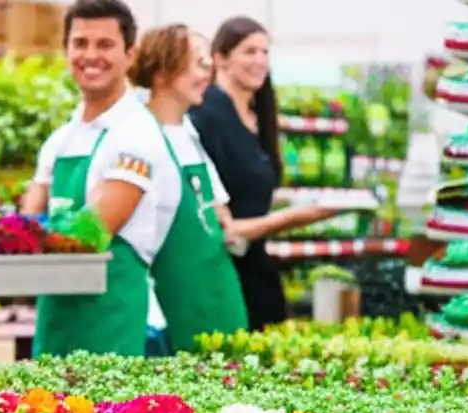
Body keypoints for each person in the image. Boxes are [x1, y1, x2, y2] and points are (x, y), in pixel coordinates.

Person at [21, 0, 173, 358]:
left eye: (105, 45)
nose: (91, 55)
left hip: (112, 315)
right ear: (66, 50)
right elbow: (27, 218)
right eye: (80, 43)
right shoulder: (60, 139)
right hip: (57, 316)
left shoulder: (136, 132)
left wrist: (22, 236)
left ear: (130, 54)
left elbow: (93, 232)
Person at [190, 16, 339, 331]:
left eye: (265, 52)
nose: (259, 61)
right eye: (249, 51)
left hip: (257, 271)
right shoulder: (207, 115)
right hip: (221, 274)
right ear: (220, 58)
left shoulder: (258, 118)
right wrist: (296, 217)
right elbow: (219, 226)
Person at [131, 24, 249, 353]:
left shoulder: (189, 133)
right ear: (163, 69)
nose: (207, 75)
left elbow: (220, 216)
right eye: (198, 64)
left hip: (216, 293)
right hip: (173, 301)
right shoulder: (137, 138)